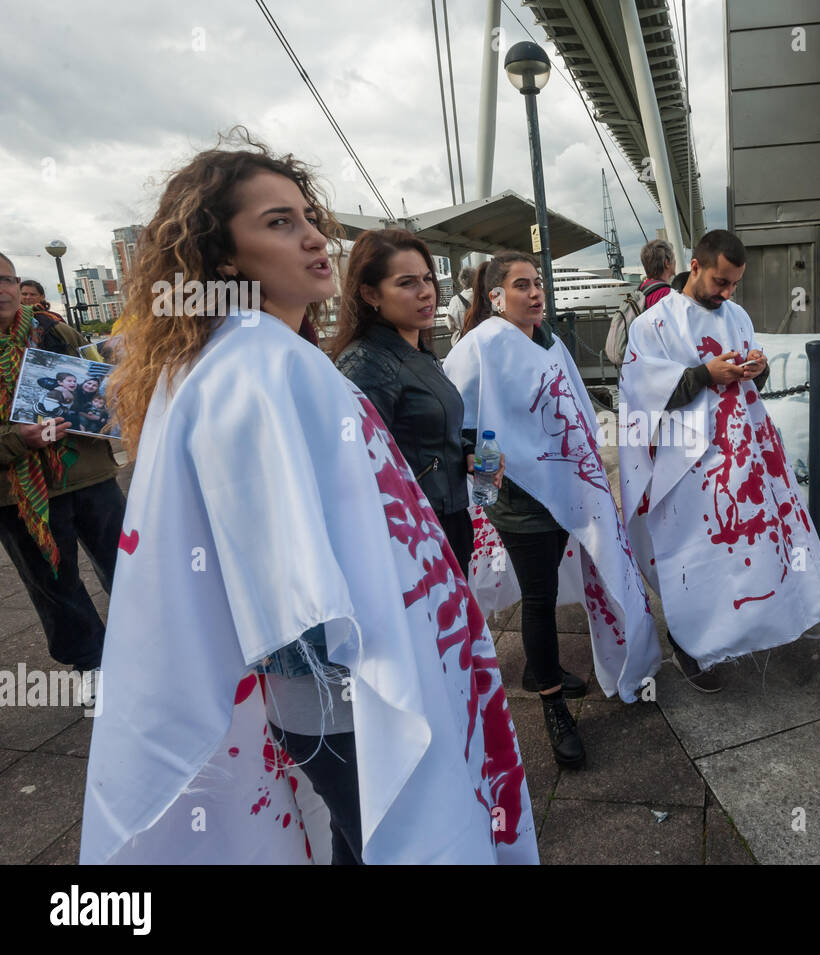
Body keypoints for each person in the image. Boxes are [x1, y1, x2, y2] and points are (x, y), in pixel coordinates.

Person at [81, 129, 536, 865]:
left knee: (357, 843)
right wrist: (382, 675)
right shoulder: (255, 365)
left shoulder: (242, 355)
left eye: (307, 216)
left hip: (335, 698)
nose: (313, 237)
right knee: (404, 841)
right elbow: (281, 582)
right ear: (223, 256)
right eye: (278, 222)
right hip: (351, 701)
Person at [445, 252, 660, 770]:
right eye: (523, 285)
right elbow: (467, 425)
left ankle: (543, 672)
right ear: (495, 295)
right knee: (539, 599)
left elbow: (576, 410)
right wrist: (489, 489)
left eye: (538, 283)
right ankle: (552, 704)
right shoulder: (480, 346)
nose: (537, 292)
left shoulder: (551, 340)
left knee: (551, 590)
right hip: (521, 501)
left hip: (565, 488)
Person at [618, 229, 820, 693]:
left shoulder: (736, 315)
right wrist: (704, 374)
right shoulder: (653, 324)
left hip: (744, 453)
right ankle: (692, 642)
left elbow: (750, 378)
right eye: (720, 281)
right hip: (687, 463)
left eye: (735, 283)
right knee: (695, 555)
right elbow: (642, 396)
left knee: (747, 548)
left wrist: (758, 367)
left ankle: (747, 628)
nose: (727, 293)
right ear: (694, 267)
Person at [332, 230, 498, 575]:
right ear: (370, 293)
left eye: (427, 279)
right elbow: (357, 467)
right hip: (415, 533)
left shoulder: (417, 351)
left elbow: (427, 428)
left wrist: (466, 450)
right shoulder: (365, 364)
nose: (426, 292)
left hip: (446, 515)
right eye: (407, 283)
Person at [0, 253, 124, 675]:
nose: (2, 290)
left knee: (129, 568)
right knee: (56, 589)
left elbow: (98, 385)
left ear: (18, 285)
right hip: (20, 494)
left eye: (6, 279)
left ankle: (152, 649)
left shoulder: (53, 331)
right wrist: (20, 438)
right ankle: (94, 667)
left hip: (90, 474)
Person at [604, 238, 675, 365]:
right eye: (673, 259)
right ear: (667, 263)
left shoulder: (641, 290)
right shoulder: (668, 296)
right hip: (659, 366)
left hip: (639, 363)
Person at [444, 264, 476, 345]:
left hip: (462, 342)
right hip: (480, 340)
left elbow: (450, 325)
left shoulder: (455, 300)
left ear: (461, 281)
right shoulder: (483, 297)